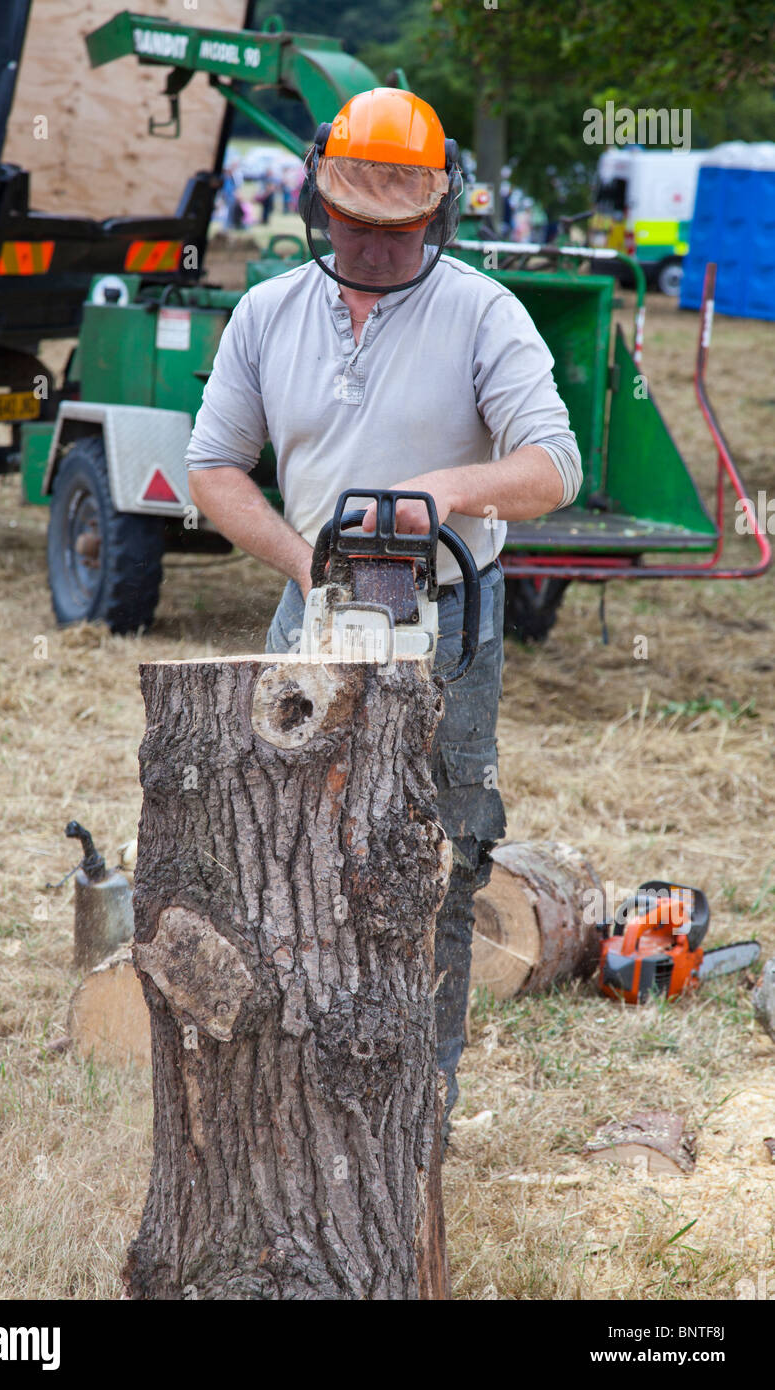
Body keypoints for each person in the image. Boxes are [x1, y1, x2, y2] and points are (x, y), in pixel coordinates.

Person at [185, 88, 582, 1148]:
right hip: (305, 613)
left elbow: (553, 466)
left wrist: (445, 491)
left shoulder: (482, 313)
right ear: (318, 200)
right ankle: (285, 1105)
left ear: (436, 213)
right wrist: (303, 559)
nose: (367, 243)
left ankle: (417, 1112)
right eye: (349, 218)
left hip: (444, 617)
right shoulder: (267, 310)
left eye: (392, 226)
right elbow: (213, 464)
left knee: (435, 855)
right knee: (280, 847)